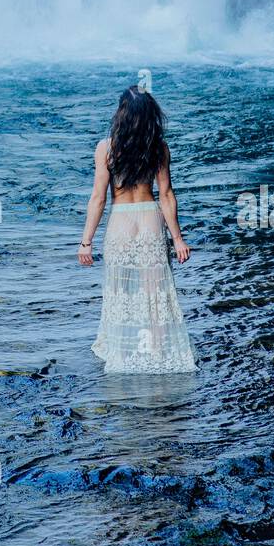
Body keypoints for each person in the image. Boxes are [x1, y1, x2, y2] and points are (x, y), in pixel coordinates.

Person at [78, 86, 196, 373]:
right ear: (150, 116)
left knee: (119, 290)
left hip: (120, 220)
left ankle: (121, 348)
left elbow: (98, 197)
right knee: (155, 289)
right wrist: (178, 239)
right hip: (149, 220)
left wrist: (86, 242)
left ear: (121, 114)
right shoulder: (158, 147)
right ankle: (155, 349)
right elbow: (166, 194)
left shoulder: (106, 148)